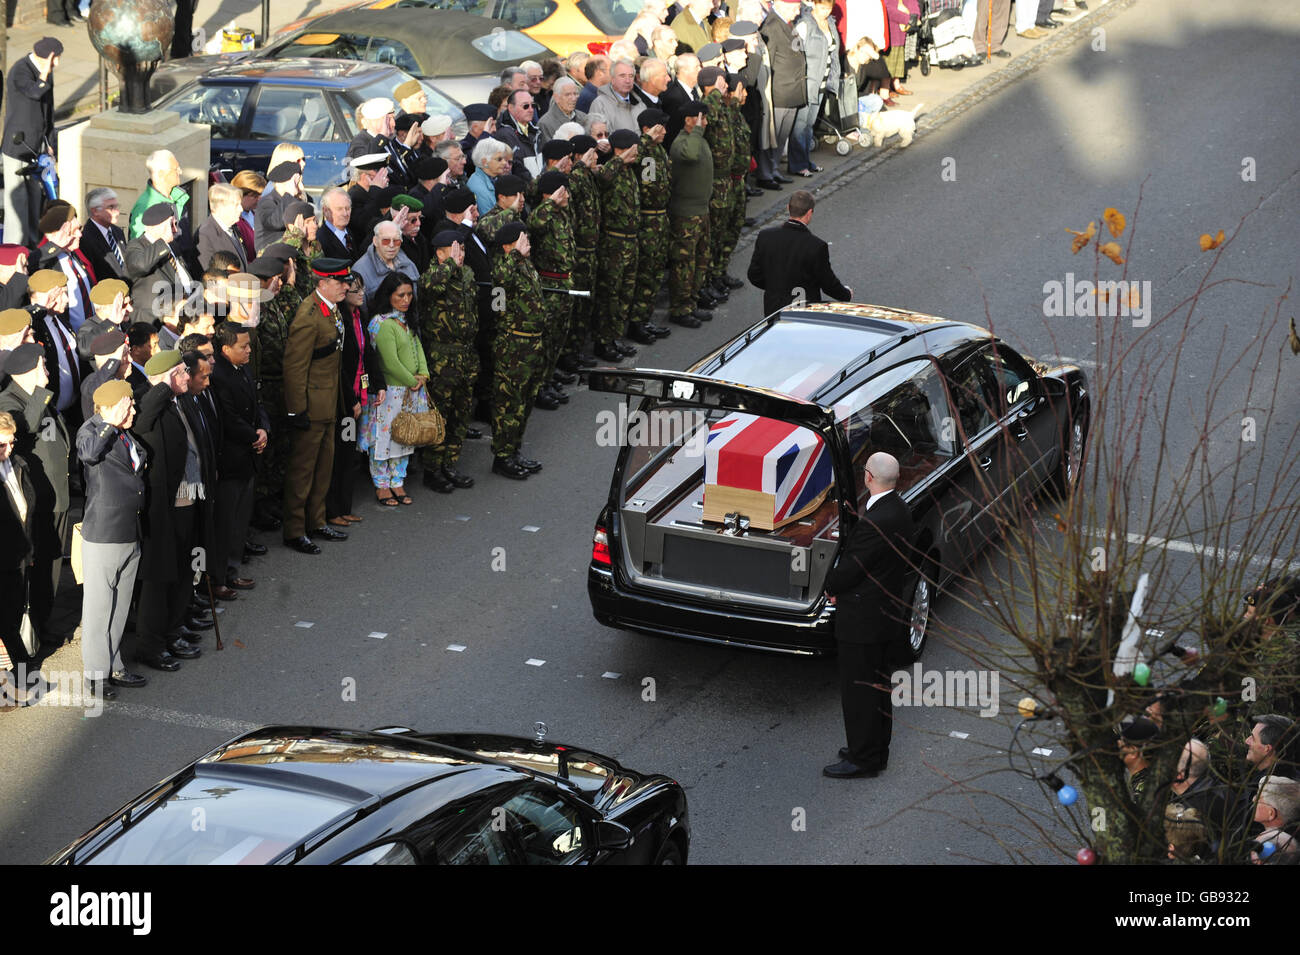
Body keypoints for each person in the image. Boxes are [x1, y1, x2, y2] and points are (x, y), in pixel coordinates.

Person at [821, 451, 916, 778]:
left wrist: (831, 584)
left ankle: (862, 759)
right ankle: (876, 751)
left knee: (859, 692)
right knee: (877, 687)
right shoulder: (899, 510)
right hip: (884, 615)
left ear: (868, 477)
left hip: (862, 621)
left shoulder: (876, 522)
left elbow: (849, 570)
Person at [76, 379, 148, 700]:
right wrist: (109, 420)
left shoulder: (125, 433)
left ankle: (114, 664)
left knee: (119, 606)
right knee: (98, 608)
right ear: (111, 406)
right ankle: (95, 674)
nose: (133, 409)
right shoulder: (92, 430)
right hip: (104, 534)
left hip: (130, 531)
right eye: (128, 404)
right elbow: (89, 454)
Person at [133, 350, 202, 670]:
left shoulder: (181, 400)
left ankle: (174, 629)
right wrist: (162, 385)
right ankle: (151, 644)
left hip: (189, 496)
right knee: (159, 577)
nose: (189, 377)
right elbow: (142, 420)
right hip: (163, 506)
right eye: (182, 372)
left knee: (183, 570)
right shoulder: (151, 400)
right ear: (168, 377)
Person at [0, 343, 70, 645]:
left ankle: (44, 621)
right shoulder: (9, 399)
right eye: (42, 365)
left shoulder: (37, 395)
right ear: (28, 370)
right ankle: (32, 631)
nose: (47, 370)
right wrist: (39, 390)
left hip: (57, 494)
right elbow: (24, 425)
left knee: (52, 562)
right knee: (37, 567)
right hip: (36, 500)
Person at [282, 258, 351, 554]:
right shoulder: (308, 315)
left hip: (329, 402)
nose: (346, 286)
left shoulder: (332, 309)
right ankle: (295, 530)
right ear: (322, 283)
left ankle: (316, 520)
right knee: (303, 470)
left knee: (324, 467)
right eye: (340, 281)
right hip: (311, 405)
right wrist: (297, 410)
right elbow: (294, 366)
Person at [417, 231, 478, 494]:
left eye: (462, 250)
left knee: (461, 413)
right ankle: (432, 469)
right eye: (453, 251)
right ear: (439, 254)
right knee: (439, 415)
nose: (459, 255)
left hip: (466, 353)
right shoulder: (432, 275)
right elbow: (430, 287)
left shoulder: (467, 275)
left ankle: (450, 464)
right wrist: (450, 265)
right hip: (443, 356)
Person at [359, 273, 427, 505]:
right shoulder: (381, 323)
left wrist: (424, 375)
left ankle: (398, 481)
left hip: (410, 390)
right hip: (389, 392)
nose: (406, 299)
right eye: (401, 295)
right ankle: (382, 485)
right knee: (383, 439)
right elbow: (389, 362)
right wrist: (412, 380)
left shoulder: (407, 320)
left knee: (403, 438)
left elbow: (419, 347)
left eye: (409, 294)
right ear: (389, 297)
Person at [487, 222, 546, 480]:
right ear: (509, 246)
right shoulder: (503, 267)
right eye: (523, 240)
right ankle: (502, 456)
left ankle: (514, 448)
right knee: (508, 402)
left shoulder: (524, 265)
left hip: (533, 342)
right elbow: (499, 289)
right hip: (514, 344)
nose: (528, 245)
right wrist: (514, 255)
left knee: (526, 399)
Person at [326, 272, 382, 524]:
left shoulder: (361, 316)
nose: (361, 293)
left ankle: (345, 507)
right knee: (341, 454)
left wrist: (374, 385)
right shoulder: (341, 321)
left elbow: (366, 356)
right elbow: (342, 367)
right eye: (355, 289)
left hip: (360, 391)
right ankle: (333, 510)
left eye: (362, 289)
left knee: (351, 455)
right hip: (345, 399)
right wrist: (352, 400)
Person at [747, 190, 852, 317]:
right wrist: (845, 294)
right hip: (803, 310)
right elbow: (827, 283)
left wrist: (775, 287)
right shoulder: (816, 246)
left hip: (773, 308)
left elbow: (754, 275)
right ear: (809, 213)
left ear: (788, 208)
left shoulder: (765, 236)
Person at [2, 38, 60, 247]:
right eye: (55, 59)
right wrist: (44, 74)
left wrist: (50, 142)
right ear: (46, 58)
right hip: (17, 148)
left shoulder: (47, 74)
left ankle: (33, 246)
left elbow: (48, 112)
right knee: (17, 202)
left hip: (36, 147)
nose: (57, 65)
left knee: (35, 199)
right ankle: (13, 249)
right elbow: (35, 92)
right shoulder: (20, 70)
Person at [593, 129, 643, 362]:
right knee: (609, 295)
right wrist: (618, 158)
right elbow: (601, 178)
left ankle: (615, 337)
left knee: (626, 292)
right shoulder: (609, 171)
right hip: (613, 242)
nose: (638, 154)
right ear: (620, 151)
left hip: (631, 241)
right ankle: (603, 342)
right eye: (632, 150)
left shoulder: (629, 171)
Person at [667, 103, 714, 329]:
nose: (705, 123)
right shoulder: (681, 143)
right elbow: (692, 154)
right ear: (689, 120)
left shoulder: (699, 139)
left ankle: (692, 302)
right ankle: (680, 308)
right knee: (684, 263)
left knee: (700, 261)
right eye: (701, 119)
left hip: (701, 212)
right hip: (685, 214)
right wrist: (696, 129)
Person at [128, 150, 199, 273]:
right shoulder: (145, 206)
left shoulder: (178, 198)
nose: (180, 172)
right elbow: (141, 250)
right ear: (161, 174)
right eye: (175, 169)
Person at [791, 0, 839, 176]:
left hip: (823, 81)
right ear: (815, 5)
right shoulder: (805, 23)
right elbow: (795, 51)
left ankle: (805, 160)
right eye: (822, 8)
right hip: (808, 80)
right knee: (800, 125)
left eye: (829, 8)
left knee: (809, 125)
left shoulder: (830, 23)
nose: (825, 12)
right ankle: (797, 164)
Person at [352, 219, 419, 312]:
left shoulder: (408, 264)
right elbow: (361, 313)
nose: (391, 245)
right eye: (386, 241)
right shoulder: (361, 271)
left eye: (396, 241)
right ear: (375, 241)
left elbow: (417, 303)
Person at [198, 183, 250, 271]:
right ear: (221, 207)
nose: (241, 209)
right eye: (236, 205)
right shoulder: (205, 235)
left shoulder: (233, 227)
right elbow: (209, 274)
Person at [81, 188, 128, 282]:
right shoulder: (85, 239)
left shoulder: (117, 231)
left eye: (116, 206)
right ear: (95, 211)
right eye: (111, 207)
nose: (117, 212)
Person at [589, 60, 646, 135]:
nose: (627, 80)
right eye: (622, 76)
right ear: (612, 79)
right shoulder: (600, 104)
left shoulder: (640, 104)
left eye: (631, 76)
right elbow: (597, 137)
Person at [539, 78, 587, 144]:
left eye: (575, 94)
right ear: (556, 98)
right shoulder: (545, 123)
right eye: (568, 95)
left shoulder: (584, 117)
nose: (573, 98)